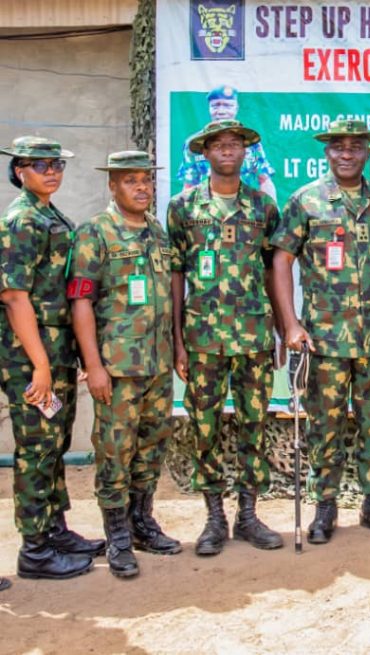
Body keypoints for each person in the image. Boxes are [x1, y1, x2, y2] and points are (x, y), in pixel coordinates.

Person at [271, 119, 370, 542]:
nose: (347, 154)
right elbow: (280, 261)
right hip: (325, 340)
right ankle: (324, 506)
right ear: (326, 152)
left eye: (356, 147)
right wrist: (290, 323)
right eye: (338, 147)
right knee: (324, 427)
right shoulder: (306, 201)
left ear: (368, 152)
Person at [167, 119, 283, 556]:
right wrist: (178, 339)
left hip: (253, 335)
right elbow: (176, 275)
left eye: (235, 144)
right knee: (205, 426)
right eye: (219, 144)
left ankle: (248, 515)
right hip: (203, 339)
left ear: (245, 152)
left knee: (255, 423)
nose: (228, 150)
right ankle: (214, 517)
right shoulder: (183, 207)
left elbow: (274, 272)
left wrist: (278, 326)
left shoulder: (262, 208)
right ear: (205, 152)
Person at [68, 151, 182, 578]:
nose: (142, 188)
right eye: (131, 180)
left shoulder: (158, 232)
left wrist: (177, 348)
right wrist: (92, 365)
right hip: (116, 369)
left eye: (146, 181)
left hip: (156, 366)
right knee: (115, 452)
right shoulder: (95, 234)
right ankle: (116, 536)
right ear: (112, 185)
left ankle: (141, 522)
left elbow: (171, 295)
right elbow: (81, 301)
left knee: (151, 448)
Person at [0, 137, 104, 581]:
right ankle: (35, 549)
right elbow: (14, 296)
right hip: (30, 356)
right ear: (20, 170)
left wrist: (72, 354)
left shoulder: (47, 213)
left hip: (55, 350)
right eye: (41, 165)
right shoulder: (22, 219)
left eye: (57, 164)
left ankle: (55, 529)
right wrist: (40, 365)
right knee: (36, 450)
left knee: (54, 444)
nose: (52, 171)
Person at [177, 85, 277, 198]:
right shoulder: (194, 143)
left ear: (236, 108)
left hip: (245, 209)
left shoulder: (250, 142)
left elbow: (264, 180)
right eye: (215, 106)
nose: (221, 111)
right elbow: (189, 184)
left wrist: (272, 211)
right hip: (205, 209)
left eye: (227, 106)